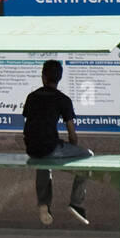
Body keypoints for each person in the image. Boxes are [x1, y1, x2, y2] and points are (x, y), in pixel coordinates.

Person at [22, 59, 93, 225]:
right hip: (51, 147)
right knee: (89, 157)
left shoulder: (32, 97)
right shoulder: (63, 99)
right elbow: (72, 134)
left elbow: (29, 123)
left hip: (31, 147)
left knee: (42, 160)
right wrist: (73, 154)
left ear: (43, 77)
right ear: (59, 78)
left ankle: (44, 203)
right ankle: (76, 202)